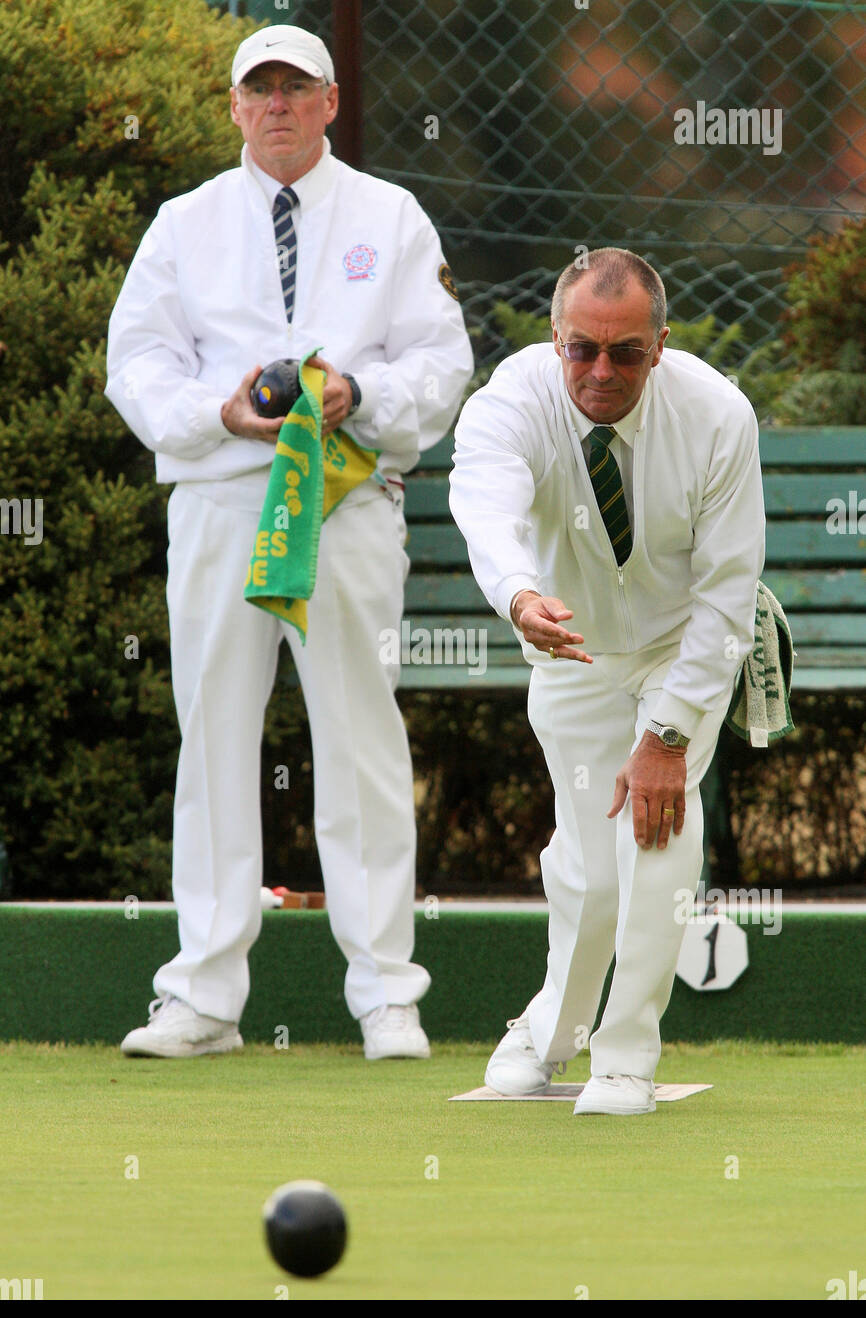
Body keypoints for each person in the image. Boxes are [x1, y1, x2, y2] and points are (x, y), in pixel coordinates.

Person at [105, 23, 473, 1061]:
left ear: (329, 102)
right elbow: (134, 365)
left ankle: (386, 995)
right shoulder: (184, 224)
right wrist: (215, 414)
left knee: (358, 736)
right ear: (232, 106)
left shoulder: (390, 218)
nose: (275, 105)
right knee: (212, 739)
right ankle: (205, 998)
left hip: (346, 500)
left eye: (294, 88)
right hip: (222, 502)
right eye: (256, 89)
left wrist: (358, 394)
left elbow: (442, 366)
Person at [450, 248, 765, 1114]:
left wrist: (668, 734)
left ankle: (625, 1058)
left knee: (656, 835)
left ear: (660, 345)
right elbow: (486, 504)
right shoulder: (509, 402)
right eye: (582, 348)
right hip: (570, 645)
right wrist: (519, 598)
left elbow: (728, 588)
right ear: (555, 338)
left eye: (626, 352)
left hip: (680, 649)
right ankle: (551, 1033)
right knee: (586, 868)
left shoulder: (716, 416)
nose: (601, 370)